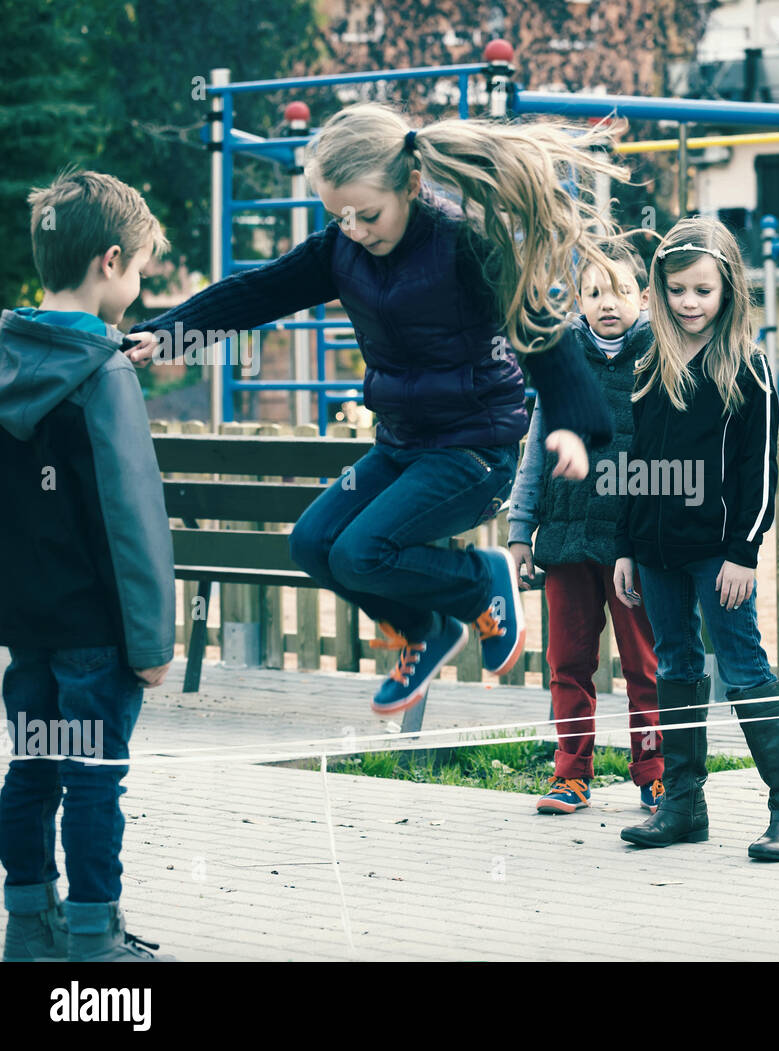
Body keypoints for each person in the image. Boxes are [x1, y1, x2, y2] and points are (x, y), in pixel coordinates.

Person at [125, 104, 619, 714]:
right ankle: (427, 629)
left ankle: (481, 582)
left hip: (474, 449)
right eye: (340, 216)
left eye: (368, 213)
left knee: (361, 551)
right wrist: (168, 332)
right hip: (401, 445)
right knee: (312, 543)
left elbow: (538, 323)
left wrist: (571, 424)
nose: (355, 228)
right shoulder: (341, 250)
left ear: (411, 185)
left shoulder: (464, 242)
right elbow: (258, 291)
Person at [0, 170, 176, 960]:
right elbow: (132, 523)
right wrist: (151, 644)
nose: (137, 286)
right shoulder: (104, 373)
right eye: (138, 268)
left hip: (26, 627)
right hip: (97, 634)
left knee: (33, 765)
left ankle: (27, 925)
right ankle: (92, 935)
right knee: (96, 774)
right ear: (109, 261)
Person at [612, 216, 779, 861]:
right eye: (676, 291)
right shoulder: (649, 365)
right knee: (673, 665)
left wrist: (743, 553)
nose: (689, 303)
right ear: (660, 291)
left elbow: (761, 475)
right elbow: (636, 461)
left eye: (702, 290)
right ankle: (682, 805)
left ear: (727, 289)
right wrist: (626, 545)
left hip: (718, 554)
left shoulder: (748, 370)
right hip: (655, 551)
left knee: (743, 666)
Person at [508, 243, 665, 815]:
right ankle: (571, 774)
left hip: (631, 547)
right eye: (594, 293)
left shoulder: (657, 358)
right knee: (568, 663)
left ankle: (654, 771)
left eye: (620, 291)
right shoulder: (562, 360)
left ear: (643, 299)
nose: (607, 304)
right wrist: (521, 529)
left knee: (643, 666)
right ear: (578, 300)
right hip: (567, 540)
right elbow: (534, 451)